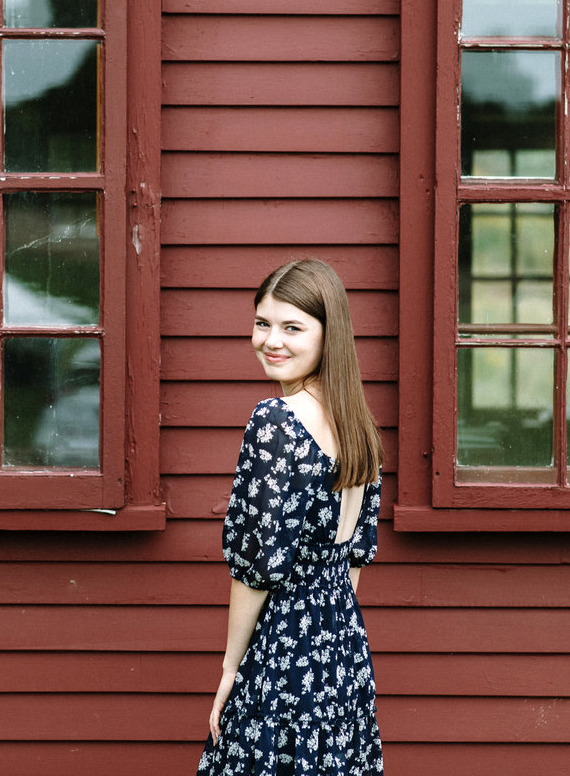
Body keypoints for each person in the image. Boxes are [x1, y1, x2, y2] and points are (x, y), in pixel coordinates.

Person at [197, 259, 384, 775]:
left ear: (330, 336)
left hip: (283, 646)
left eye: (292, 327)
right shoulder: (359, 426)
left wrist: (231, 668)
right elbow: (354, 559)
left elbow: (256, 570)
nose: (270, 340)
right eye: (262, 323)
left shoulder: (276, 421)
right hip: (342, 648)